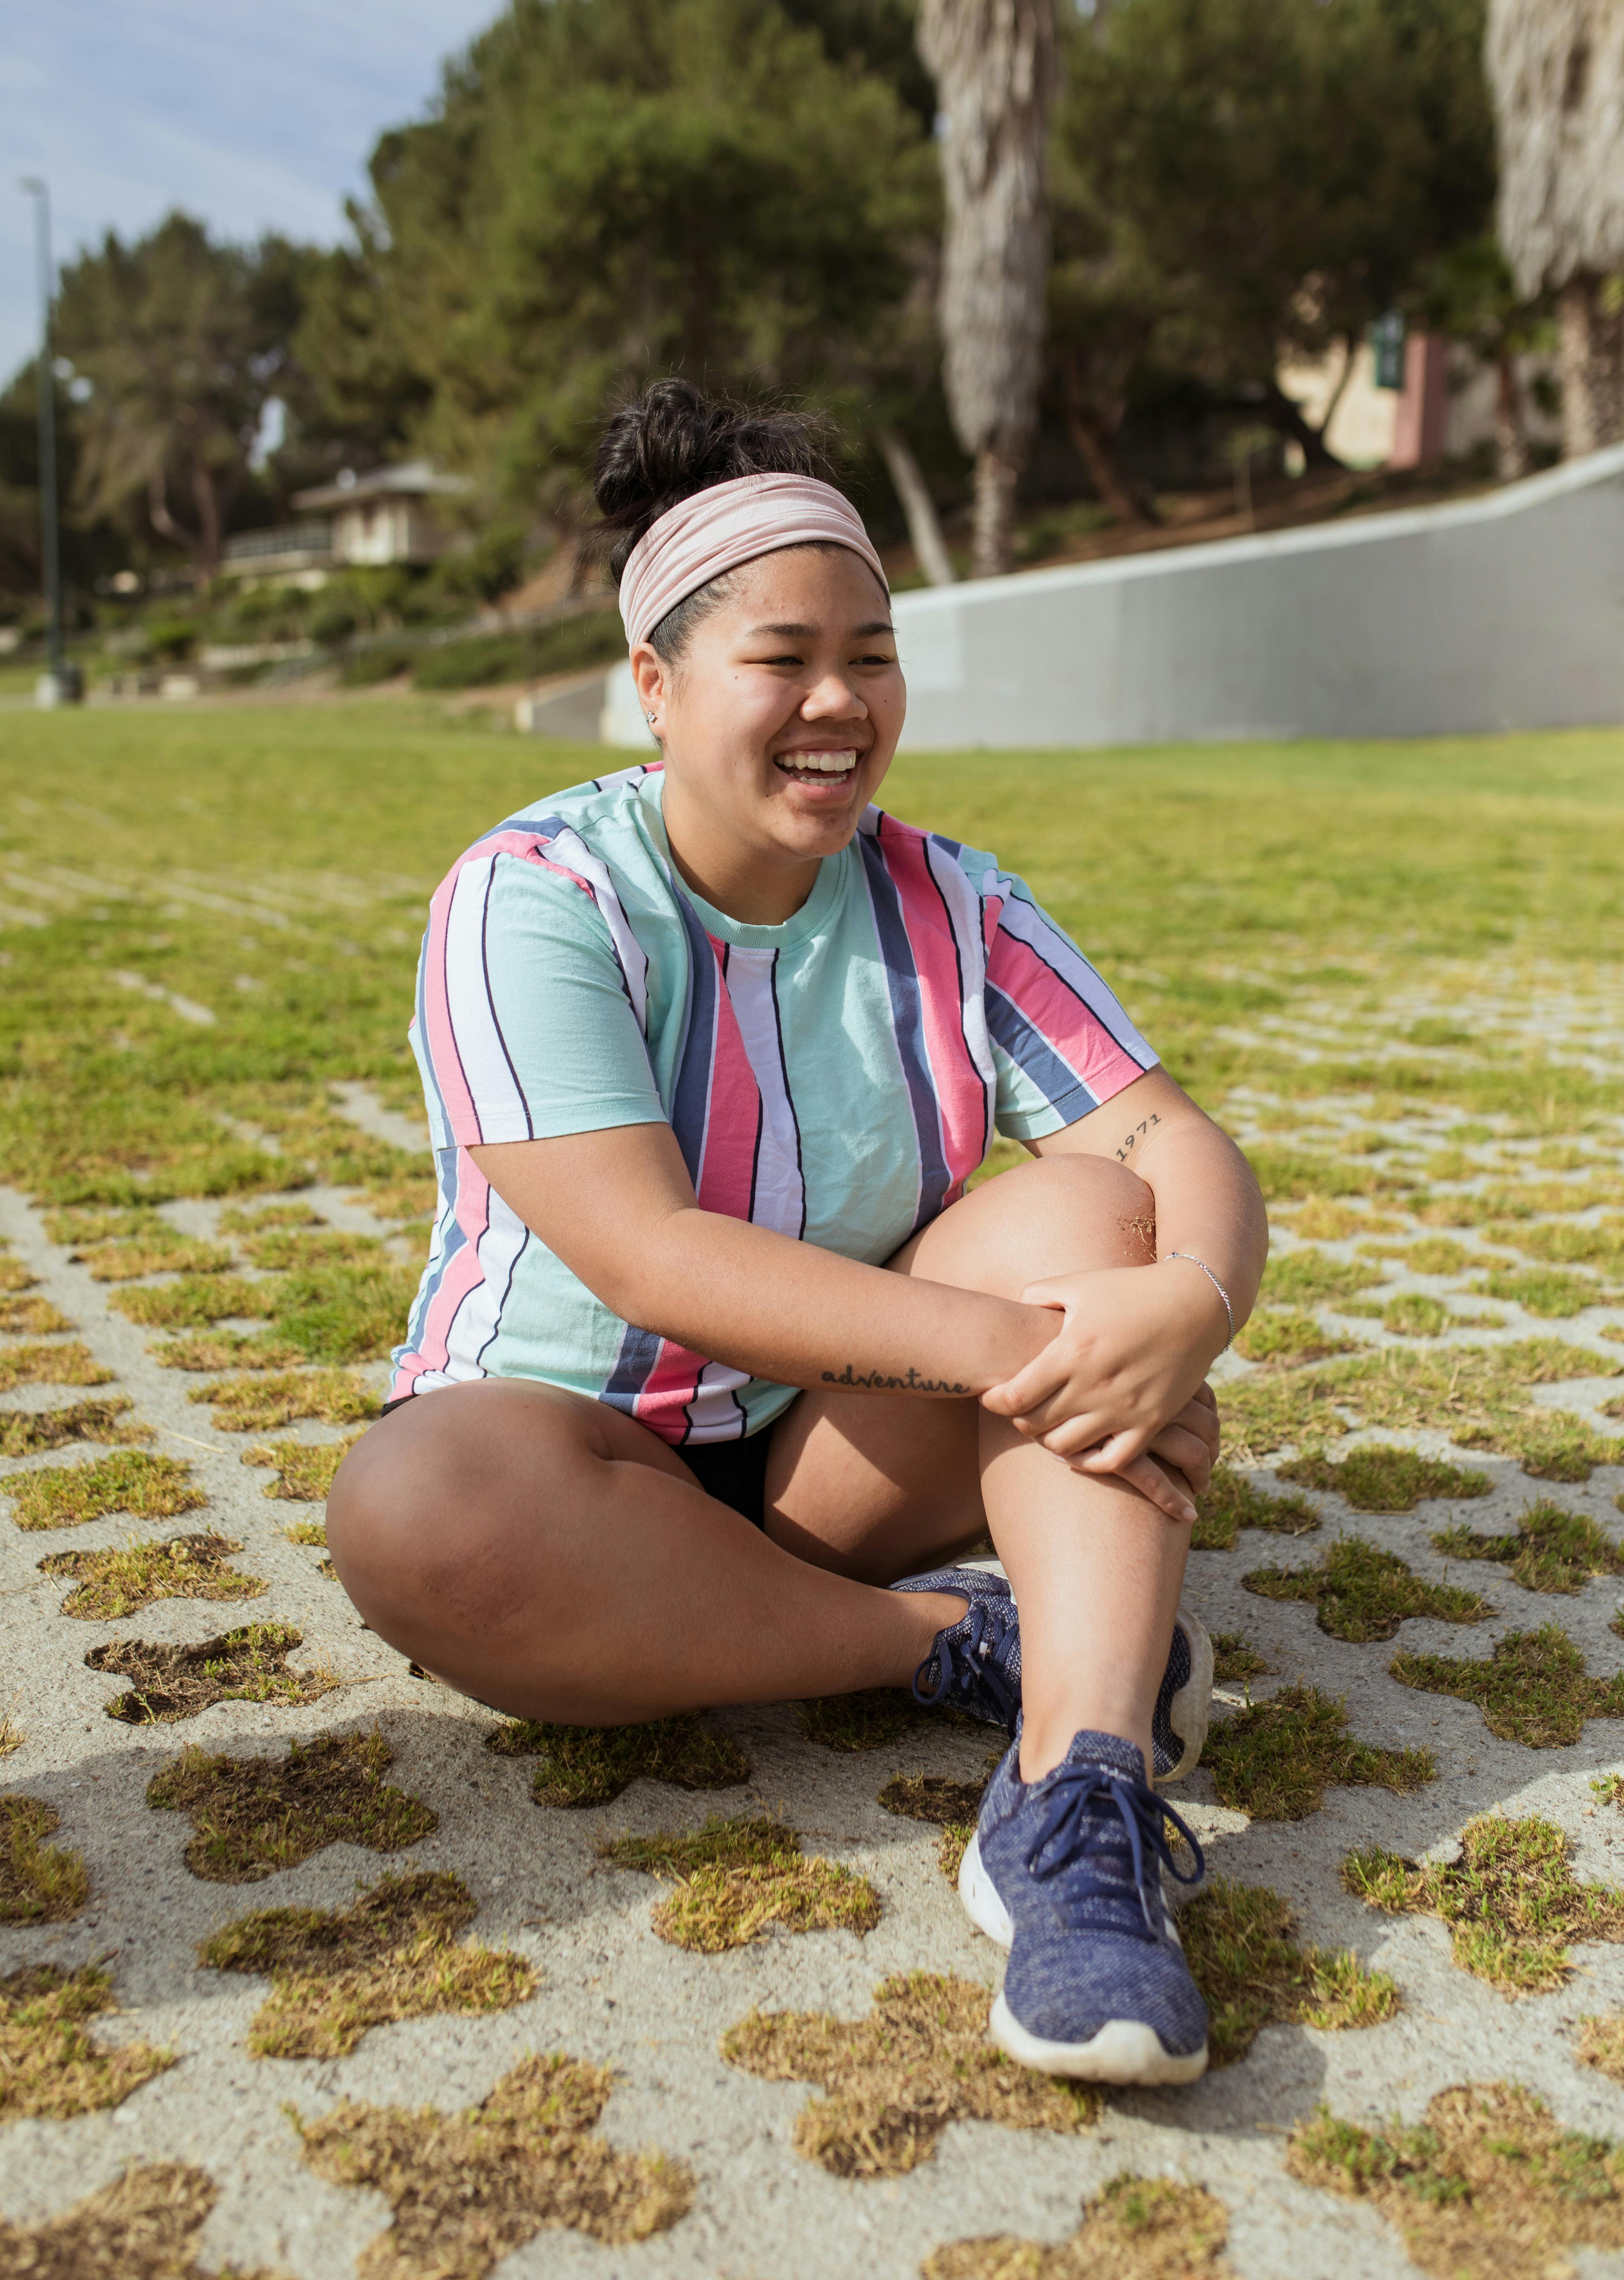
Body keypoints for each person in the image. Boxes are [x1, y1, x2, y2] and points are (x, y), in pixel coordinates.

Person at [327, 379, 1268, 2089]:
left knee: (1094, 1214)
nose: (839, 702)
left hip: (833, 1455)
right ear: (656, 684)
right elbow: (650, 1259)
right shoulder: (533, 896)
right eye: (782, 657)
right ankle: (958, 1641)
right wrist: (1043, 1353)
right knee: (413, 1515)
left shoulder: (951, 894)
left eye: (874, 654)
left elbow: (1172, 1138)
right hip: (576, 1459)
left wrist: (1190, 1305)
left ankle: (1080, 1794)